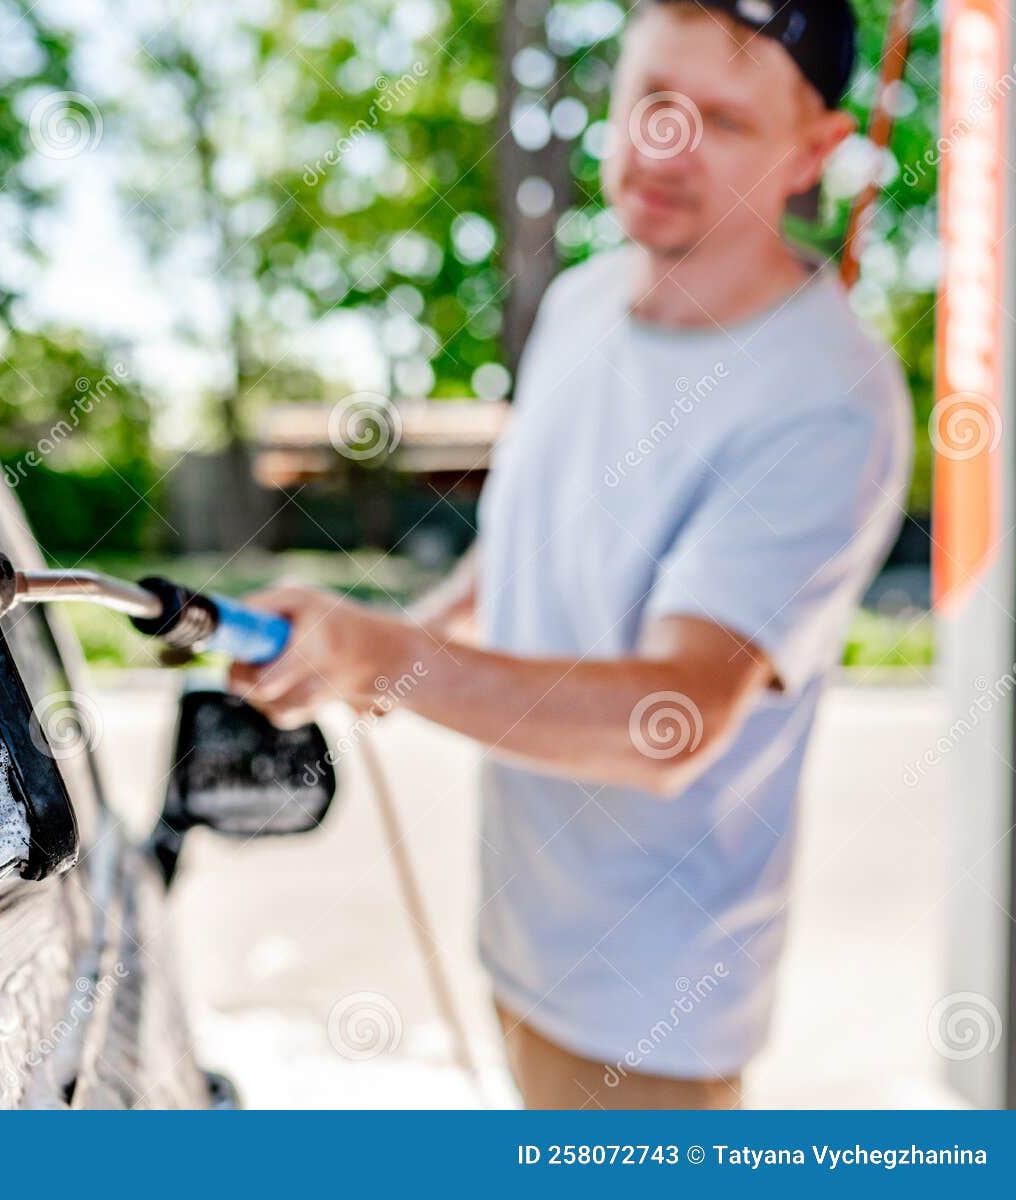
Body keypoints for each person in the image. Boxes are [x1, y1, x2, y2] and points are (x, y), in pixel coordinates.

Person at [229, 0, 909, 1109]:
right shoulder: (586, 299)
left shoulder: (829, 396)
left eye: (725, 121)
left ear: (816, 152)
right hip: (516, 926)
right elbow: (535, 534)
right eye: (651, 98)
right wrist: (409, 635)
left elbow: (672, 723)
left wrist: (386, 659)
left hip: (650, 1004)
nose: (665, 148)